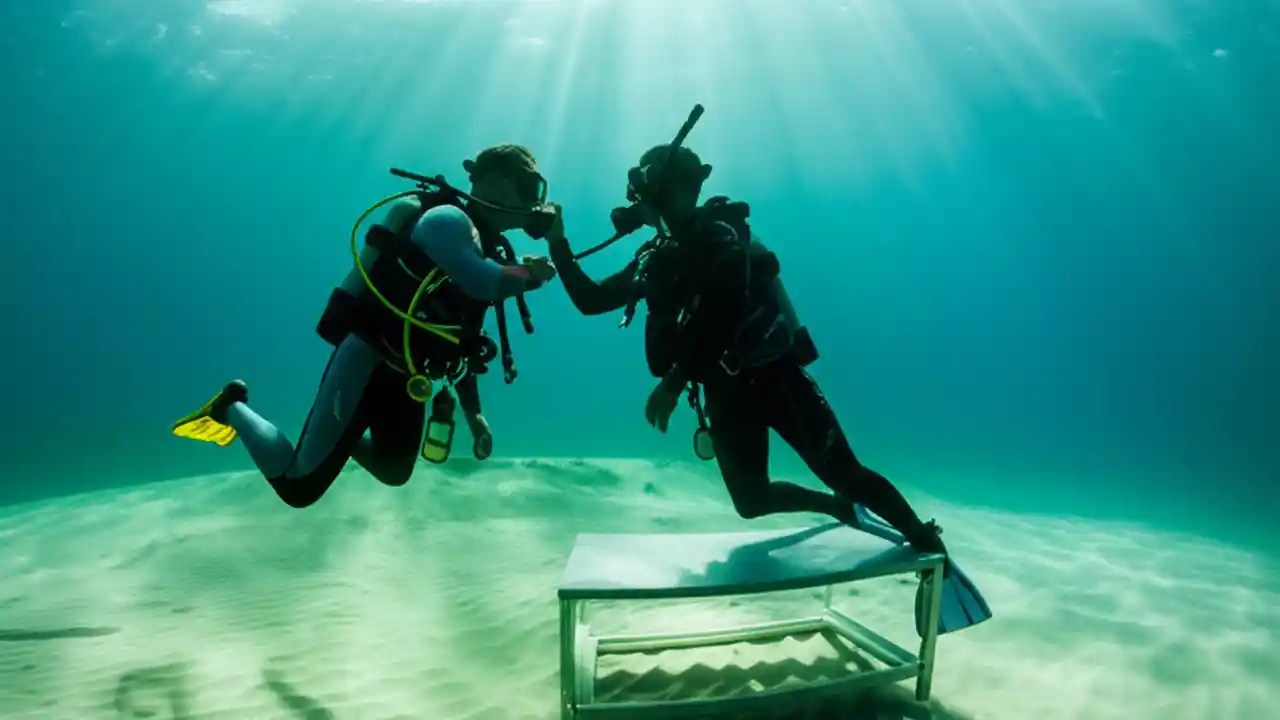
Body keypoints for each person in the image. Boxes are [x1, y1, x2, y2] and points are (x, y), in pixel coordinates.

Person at [540, 142, 951, 557]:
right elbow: (591, 300)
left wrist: (674, 380)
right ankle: (830, 505)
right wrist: (557, 241)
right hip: (725, 392)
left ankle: (925, 541)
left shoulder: (724, 236)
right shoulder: (658, 258)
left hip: (777, 378)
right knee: (751, 503)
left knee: (846, 474)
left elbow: (724, 309)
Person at [171, 144, 559, 508]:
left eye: (537, 190)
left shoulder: (488, 249)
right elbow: (481, 280)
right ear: (494, 182)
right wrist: (530, 274)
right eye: (528, 187)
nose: (533, 202)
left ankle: (341, 438)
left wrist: (474, 415)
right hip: (368, 357)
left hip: (408, 376)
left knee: (394, 471)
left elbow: (460, 339)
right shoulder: (447, 220)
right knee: (299, 488)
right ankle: (232, 406)